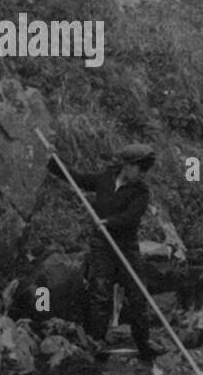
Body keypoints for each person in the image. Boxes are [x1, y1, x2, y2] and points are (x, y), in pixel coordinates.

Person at [47, 143, 163, 363]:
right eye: (141, 169)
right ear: (127, 166)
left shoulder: (141, 191)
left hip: (126, 247)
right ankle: (97, 340)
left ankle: (144, 342)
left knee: (138, 294)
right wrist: (55, 162)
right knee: (100, 292)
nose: (143, 174)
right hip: (101, 246)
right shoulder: (105, 179)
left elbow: (131, 218)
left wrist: (108, 222)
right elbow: (78, 179)